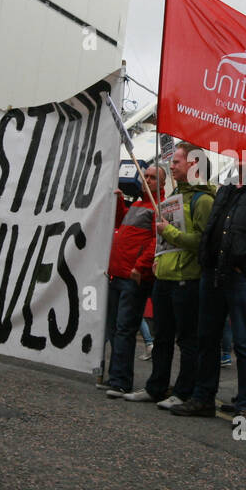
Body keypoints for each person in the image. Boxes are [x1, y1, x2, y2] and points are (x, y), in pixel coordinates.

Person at [172, 158, 246, 428]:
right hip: (213, 272)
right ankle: (203, 397)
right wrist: (205, 257)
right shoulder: (228, 184)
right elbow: (214, 225)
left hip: (241, 274)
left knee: (244, 343)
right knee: (207, 337)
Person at [125, 146, 214, 406]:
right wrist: (157, 258)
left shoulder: (204, 200)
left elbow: (203, 242)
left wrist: (169, 233)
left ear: (194, 164)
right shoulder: (175, 195)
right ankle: (156, 388)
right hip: (164, 277)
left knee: (187, 340)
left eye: (176, 161)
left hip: (187, 280)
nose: (171, 166)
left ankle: (182, 392)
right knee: (162, 338)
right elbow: (164, 239)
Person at [103, 166, 160, 397]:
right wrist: (119, 202)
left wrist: (140, 266)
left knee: (124, 329)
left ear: (161, 184)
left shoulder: (157, 208)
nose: (147, 180)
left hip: (131, 277)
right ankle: (116, 377)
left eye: (153, 177)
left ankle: (120, 380)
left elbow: (157, 241)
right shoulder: (136, 205)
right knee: (115, 329)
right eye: (146, 176)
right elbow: (119, 224)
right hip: (118, 274)